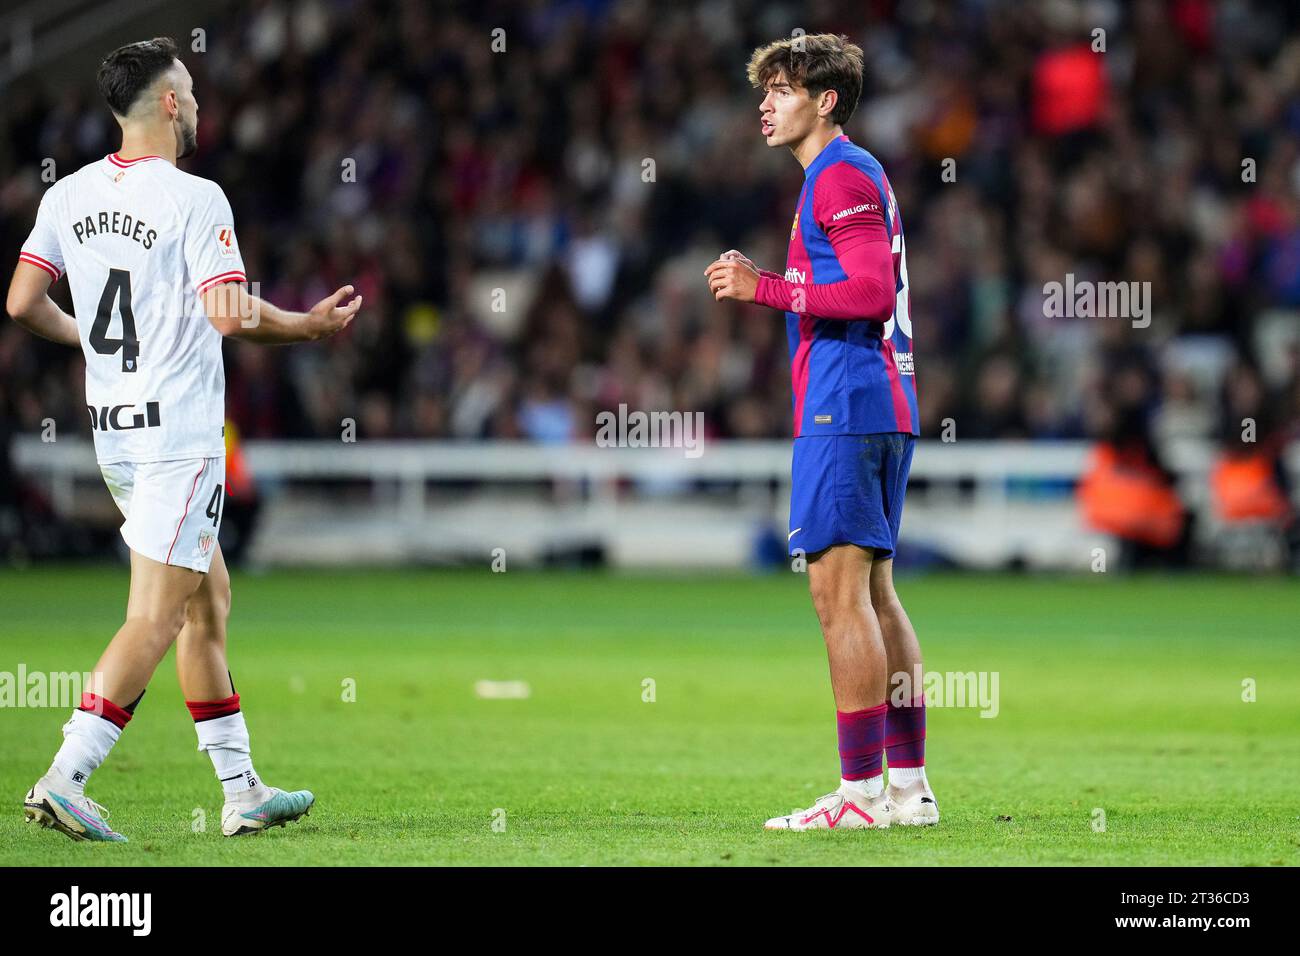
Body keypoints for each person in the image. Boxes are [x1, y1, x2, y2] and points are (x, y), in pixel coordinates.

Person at [7, 37, 362, 841]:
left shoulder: (68, 197)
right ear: (169, 103)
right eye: (192, 90)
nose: (198, 103)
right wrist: (305, 326)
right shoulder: (196, 198)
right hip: (180, 437)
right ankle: (65, 777)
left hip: (117, 438)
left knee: (208, 606)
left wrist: (89, 341)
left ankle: (240, 789)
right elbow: (228, 314)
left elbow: (23, 301)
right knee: (158, 618)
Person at [705, 33, 934, 830]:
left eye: (781, 89)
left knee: (837, 597)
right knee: (874, 593)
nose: (764, 104)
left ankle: (861, 795)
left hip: (847, 403)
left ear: (824, 100)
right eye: (762, 90)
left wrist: (762, 285)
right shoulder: (851, 174)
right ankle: (907, 789)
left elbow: (869, 291)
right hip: (882, 403)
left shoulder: (839, 174)